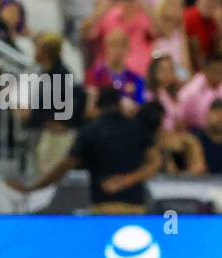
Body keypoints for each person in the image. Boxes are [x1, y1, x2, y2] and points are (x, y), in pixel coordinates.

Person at [16, 87, 160, 214]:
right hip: (136, 208)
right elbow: (156, 162)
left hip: (103, 208)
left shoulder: (90, 132)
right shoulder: (137, 128)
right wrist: (127, 180)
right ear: (119, 104)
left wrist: (34, 187)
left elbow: (64, 166)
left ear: (98, 105)